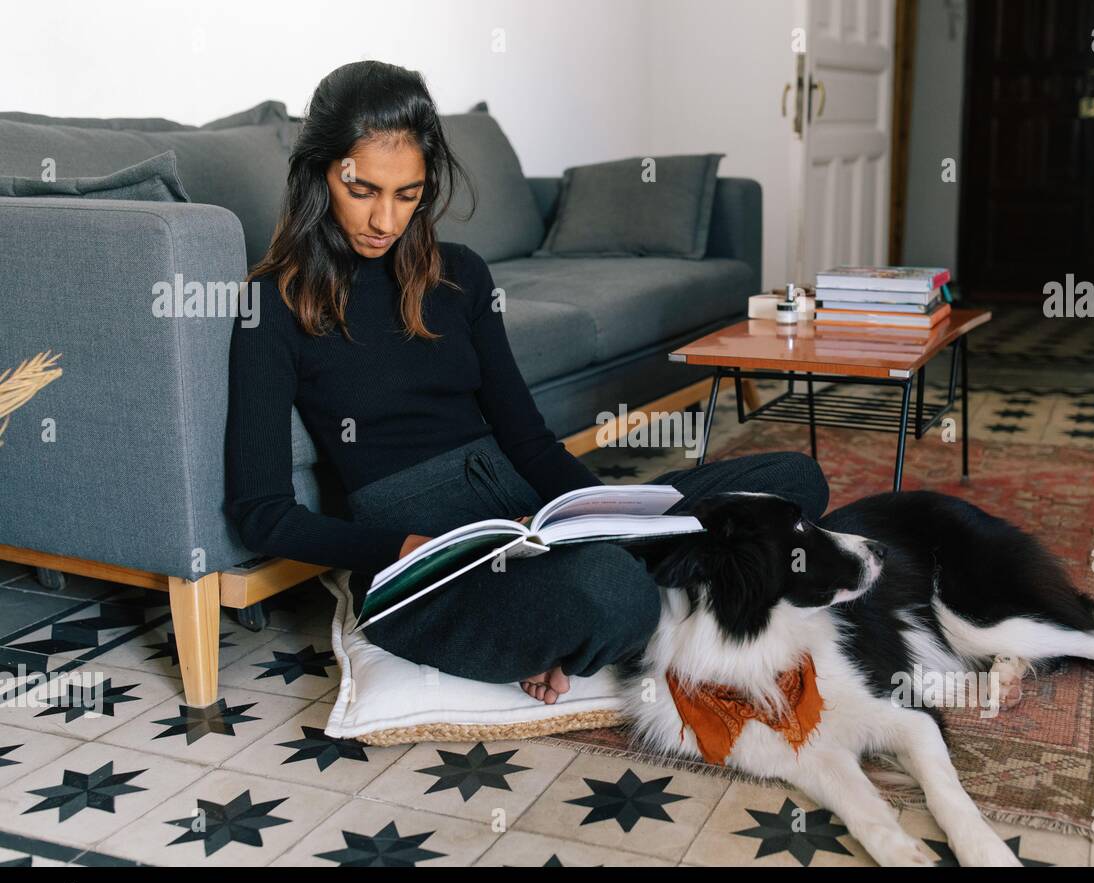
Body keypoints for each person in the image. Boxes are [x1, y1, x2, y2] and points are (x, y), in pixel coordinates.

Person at [224, 61, 828, 704]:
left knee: (791, 482)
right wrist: (403, 546)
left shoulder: (459, 275)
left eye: (408, 194)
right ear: (320, 173)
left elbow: (530, 440)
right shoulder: (275, 305)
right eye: (363, 190)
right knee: (613, 590)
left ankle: (628, 591)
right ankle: (661, 591)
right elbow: (261, 515)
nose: (385, 220)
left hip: (525, 517)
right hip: (425, 567)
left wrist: (607, 515)